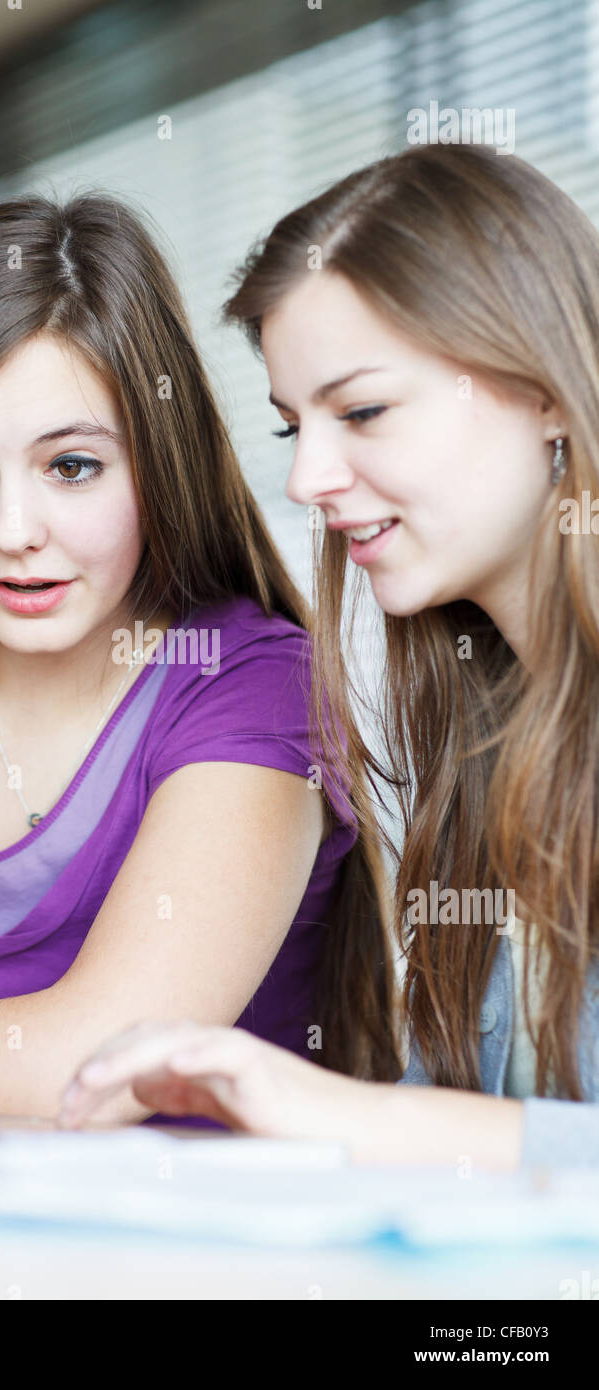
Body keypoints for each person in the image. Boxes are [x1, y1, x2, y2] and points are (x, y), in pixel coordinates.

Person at [0, 192, 401, 1128]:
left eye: (72, 467)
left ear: (157, 462)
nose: (14, 533)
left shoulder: (251, 686)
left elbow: (101, 1061)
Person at [57, 143, 599, 1168]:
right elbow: (473, 1122)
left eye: (360, 412)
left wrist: (338, 1109)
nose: (306, 477)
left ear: (546, 395)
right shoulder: (489, 732)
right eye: (289, 428)